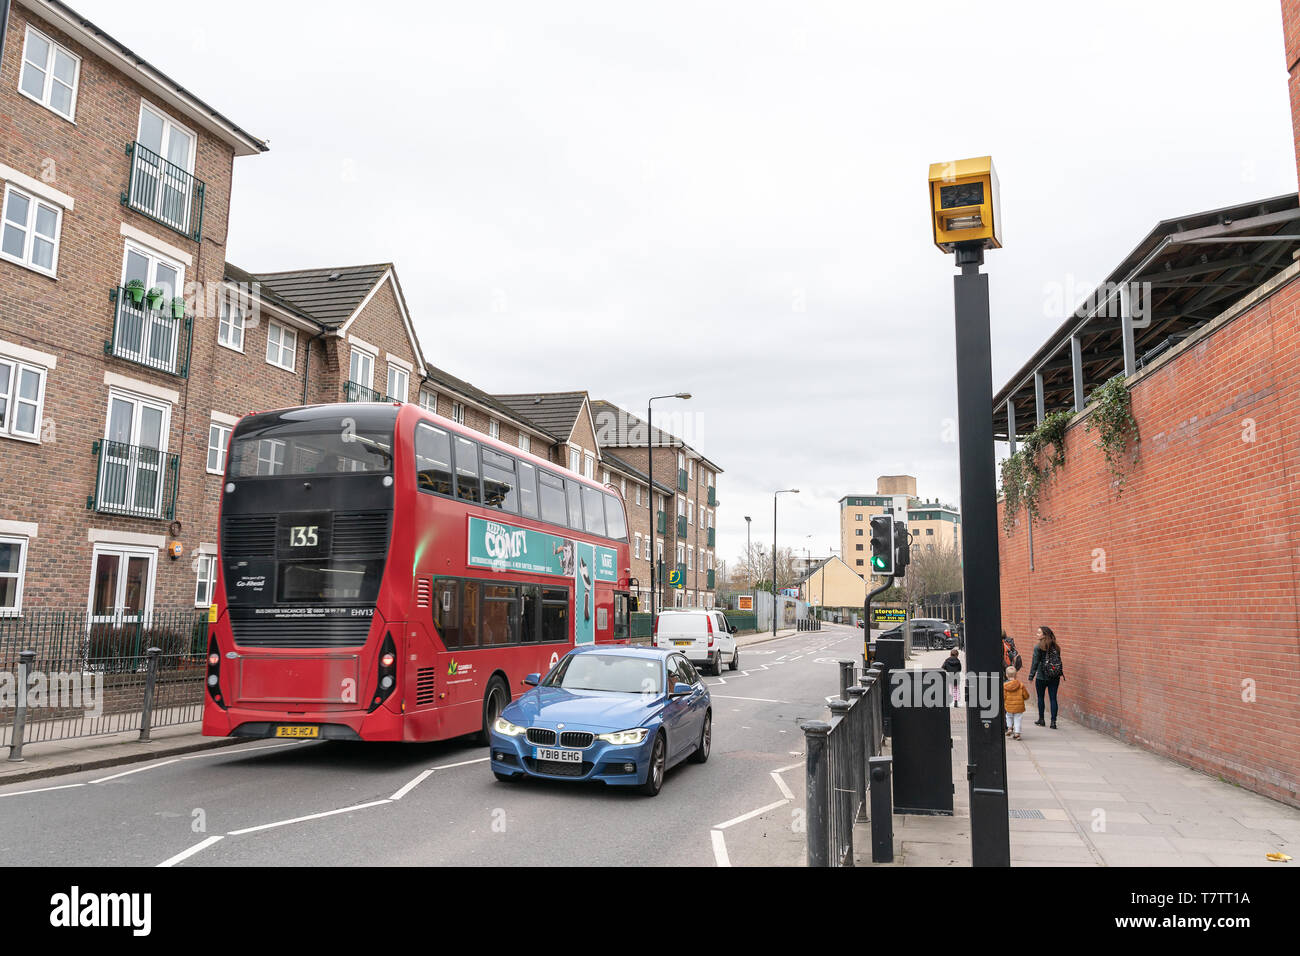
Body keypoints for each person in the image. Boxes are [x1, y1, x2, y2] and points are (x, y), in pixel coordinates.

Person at [1028, 625, 1064, 728]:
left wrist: (1031, 676)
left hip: (1041, 676)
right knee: (1053, 698)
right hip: (1054, 676)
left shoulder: (1038, 647)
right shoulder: (1056, 647)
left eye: (1039, 633)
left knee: (1040, 698)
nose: (1037, 634)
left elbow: (1035, 662)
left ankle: (1041, 719)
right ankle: (1053, 722)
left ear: (1044, 635)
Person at [1003, 666, 1029, 740]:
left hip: (1009, 706)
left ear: (1006, 675)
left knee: (1008, 716)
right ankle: (1017, 733)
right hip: (1019, 707)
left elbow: (1003, 697)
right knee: (1018, 719)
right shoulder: (1021, 685)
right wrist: (1024, 698)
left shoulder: (1005, 686)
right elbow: (1026, 695)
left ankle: (1010, 728)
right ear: (1016, 675)